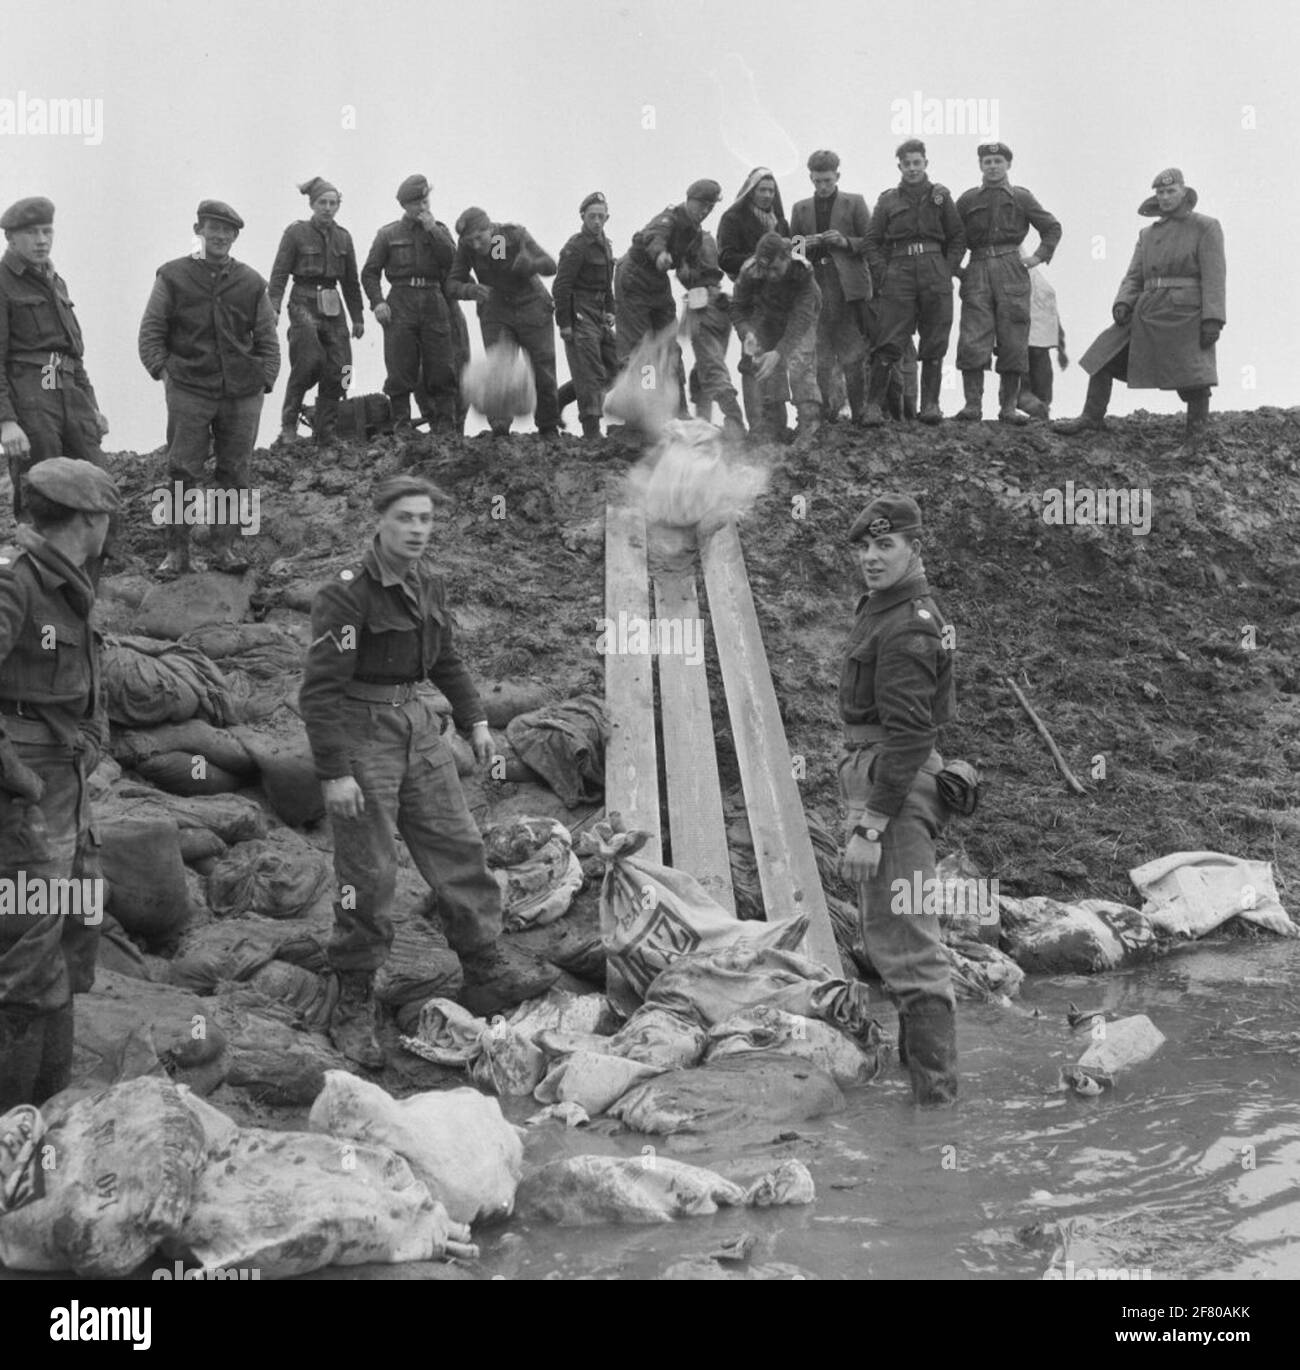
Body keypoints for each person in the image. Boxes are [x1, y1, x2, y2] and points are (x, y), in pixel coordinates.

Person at [298, 475, 558, 1067]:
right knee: (368, 872)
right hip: (362, 732)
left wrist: (477, 722)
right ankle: (355, 996)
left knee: (460, 845)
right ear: (381, 522)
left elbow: (445, 659)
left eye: (426, 520)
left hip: (418, 724)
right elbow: (318, 692)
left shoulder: (427, 584)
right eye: (406, 519)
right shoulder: (346, 595)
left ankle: (484, 963)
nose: (418, 530)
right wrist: (334, 772)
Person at [0, 458, 118, 1110]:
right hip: (23, 794)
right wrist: (13, 771)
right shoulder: (15, 582)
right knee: (25, 952)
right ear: (89, 520)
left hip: (65, 779)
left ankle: (51, 1113)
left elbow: (89, 684)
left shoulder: (70, 583)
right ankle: (12, 1136)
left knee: (73, 935)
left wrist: (93, 739)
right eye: (104, 518)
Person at [838, 493, 957, 1106]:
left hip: (898, 788)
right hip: (886, 778)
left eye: (886, 544)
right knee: (891, 940)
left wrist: (871, 826)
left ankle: (936, 1109)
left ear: (914, 547)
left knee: (911, 947)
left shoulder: (908, 622)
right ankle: (923, 1096)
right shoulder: (886, 609)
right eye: (864, 546)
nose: (872, 557)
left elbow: (913, 734)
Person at [138, 200, 280, 578]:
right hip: (189, 388)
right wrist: (164, 373)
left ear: (235, 236)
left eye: (227, 231)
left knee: (236, 472)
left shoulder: (251, 282)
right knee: (183, 470)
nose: (219, 236)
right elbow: (151, 331)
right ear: (198, 230)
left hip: (242, 392)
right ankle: (176, 552)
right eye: (212, 229)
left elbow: (267, 335)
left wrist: (266, 377)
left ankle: (225, 547)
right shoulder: (173, 276)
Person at [1056, 168, 1225, 453]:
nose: (1166, 197)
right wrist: (1123, 301)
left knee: (1193, 375)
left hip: (1185, 313)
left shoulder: (1205, 226)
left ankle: (1194, 441)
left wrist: (1213, 318)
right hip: (1147, 310)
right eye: (1160, 192)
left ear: (1184, 192)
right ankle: (1091, 417)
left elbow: (1214, 276)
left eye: (1171, 191)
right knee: (1104, 354)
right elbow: (1134, 275)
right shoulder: (1147, 234)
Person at [0, 199, 112, 546]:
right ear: (10, 238)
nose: (41, 240)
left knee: (95, 480)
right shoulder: (3, 283)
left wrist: (91, 407)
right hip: (30, 394)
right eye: (31, 233)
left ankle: (96, 577)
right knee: (41, 486)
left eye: (46, 231)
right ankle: (37, 579)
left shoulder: (55, 281)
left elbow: (73, 354)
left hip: (67, 389)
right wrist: (6, 421)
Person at [953, 142, 1062, 423]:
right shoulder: (967, 200)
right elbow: (952, 237)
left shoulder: (1021, 198)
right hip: (976, 267)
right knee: (973, 336)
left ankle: (1008, 407)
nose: (992, 166)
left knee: (1013, 338)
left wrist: (1038, 256)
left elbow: (1051, 227)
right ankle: (972, 405)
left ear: (1008, 165)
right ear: (980, 166)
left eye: (998, 161)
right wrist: (957, 270)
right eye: (987, 162)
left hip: (1011, 267)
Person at [863, 140, 965, 426]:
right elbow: (872, 241)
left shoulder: (941, 197)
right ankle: (873, 406)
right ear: (900, 166)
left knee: (935, 338)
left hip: (934, 268)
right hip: (900, 270)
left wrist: (947, 269)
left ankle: (931, 405)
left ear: (925, 164)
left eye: (916, 162)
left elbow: (957, 236)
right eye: (906, 164)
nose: (912, 168)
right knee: (889, 339)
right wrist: (883, 273)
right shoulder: (888, 200)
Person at [447, 208, 561, 440]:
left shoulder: (513, 235)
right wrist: (471, 290)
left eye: (480, 238)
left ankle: (548, 426)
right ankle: (500, 425)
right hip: (496, 309)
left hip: (532, 306)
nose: (476, 245)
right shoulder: (467, 248)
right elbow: (452, 283)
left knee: (543, 369)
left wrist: (530, 264)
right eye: (471, 241)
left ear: (490, 229)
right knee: (499, 369)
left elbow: (550, 265)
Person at [268, 177, 365, 447]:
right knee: (308, 361)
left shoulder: (344, 237)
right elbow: (279, 273)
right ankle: (289, 427)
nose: (327, 208)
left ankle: (326, 431)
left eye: (333, 203)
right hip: (303, 301)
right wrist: (273, 306)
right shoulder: (295, 233)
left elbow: (351, 281)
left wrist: (357, 317)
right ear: (312, 204)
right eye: (322, 202)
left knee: (343, 368)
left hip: (334, 304)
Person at [361, 175, 460, 435]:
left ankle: (445, 425)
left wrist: (433, 231)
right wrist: (378, 303)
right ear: (405, 205)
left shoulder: (440, 229)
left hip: (433, 298)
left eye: (425, 201)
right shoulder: (388, 234)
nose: (422, 207)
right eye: (416, 203)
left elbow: (452, 262)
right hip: (401, 299)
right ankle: (402, 424)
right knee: (400, 364)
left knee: (441, 364)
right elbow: (370, 272)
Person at [614, 180, 722, 415]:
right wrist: (661, 254)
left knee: (671, 348)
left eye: (710, 207)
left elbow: (691, 272)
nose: (704, 211)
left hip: (658, 285)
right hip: (634, 279)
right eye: (701, 205)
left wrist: (697, 287)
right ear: (689, 200)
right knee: (643, 349)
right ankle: (645, 410)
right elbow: (655, 237)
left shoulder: (695, 234)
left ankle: (679, 411)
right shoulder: (669, 218)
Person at [789, 151, 873, 425]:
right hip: (816, 285)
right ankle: (827, 413)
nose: (822, 186)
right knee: (821, 353)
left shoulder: (855, 203)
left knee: (852, 351)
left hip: (847, 288)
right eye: (817, 181)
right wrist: (806, 245)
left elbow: (872, 242)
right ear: (810, 178)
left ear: (837, 175)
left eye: (827, 180)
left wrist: (845, 242)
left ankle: (859, 411)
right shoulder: (800, 208)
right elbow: (793, 249)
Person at [731, 232, 822, 448]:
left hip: (801, 314)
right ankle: (773, 426)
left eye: (775, 269)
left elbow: (801, 319)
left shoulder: (803, 272)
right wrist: (747, 334)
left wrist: (781, 352)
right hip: (767, 312)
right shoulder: (750, 272)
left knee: (800, 359)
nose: (770, 275)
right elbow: (737, 307)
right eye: (765, 270)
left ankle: (809, 424)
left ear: (787, 258)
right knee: (762, 360)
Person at [717, 168, 790, 433]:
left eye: (771, 190)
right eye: (762, 190)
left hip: (777, 297)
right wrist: (757, 260)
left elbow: (790, 252)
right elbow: (724, 257)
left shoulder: (780, 221)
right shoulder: (733, 218)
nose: (767, 195)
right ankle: (757, 424)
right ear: (750, 191)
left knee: (776, 354)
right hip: (749, 295)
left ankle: (779, 424)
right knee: (752, 356)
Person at [552, 192, 618, 439]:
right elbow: (561, 287)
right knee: (590, 373)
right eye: (592, 216)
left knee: (617, 366)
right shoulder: (576, 247)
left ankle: (559, 398)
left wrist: (611, 310)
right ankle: (592, 432)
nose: (597, 221)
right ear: (583, 217)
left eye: (602, 216)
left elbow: (607, 284)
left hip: (599, 314)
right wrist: (565, 324)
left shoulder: (606, 245)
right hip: (580, 313)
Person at [679, 231, 747, 439]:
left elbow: (686, 274)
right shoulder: (706, 238)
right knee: (703, 367)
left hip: (703, 303)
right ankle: (703, 422)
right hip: (717, 301)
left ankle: (734, 421)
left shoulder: (689, 237)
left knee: (711, 368)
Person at [1019, 255, 1067, 417]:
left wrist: (1061, 346)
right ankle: (1023, 395)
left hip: (1040, 334)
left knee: (1040, 360)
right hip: (1021, 335)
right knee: (1021, 360)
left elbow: (1050, 305)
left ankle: (1041, 405)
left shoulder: (1036, 278)